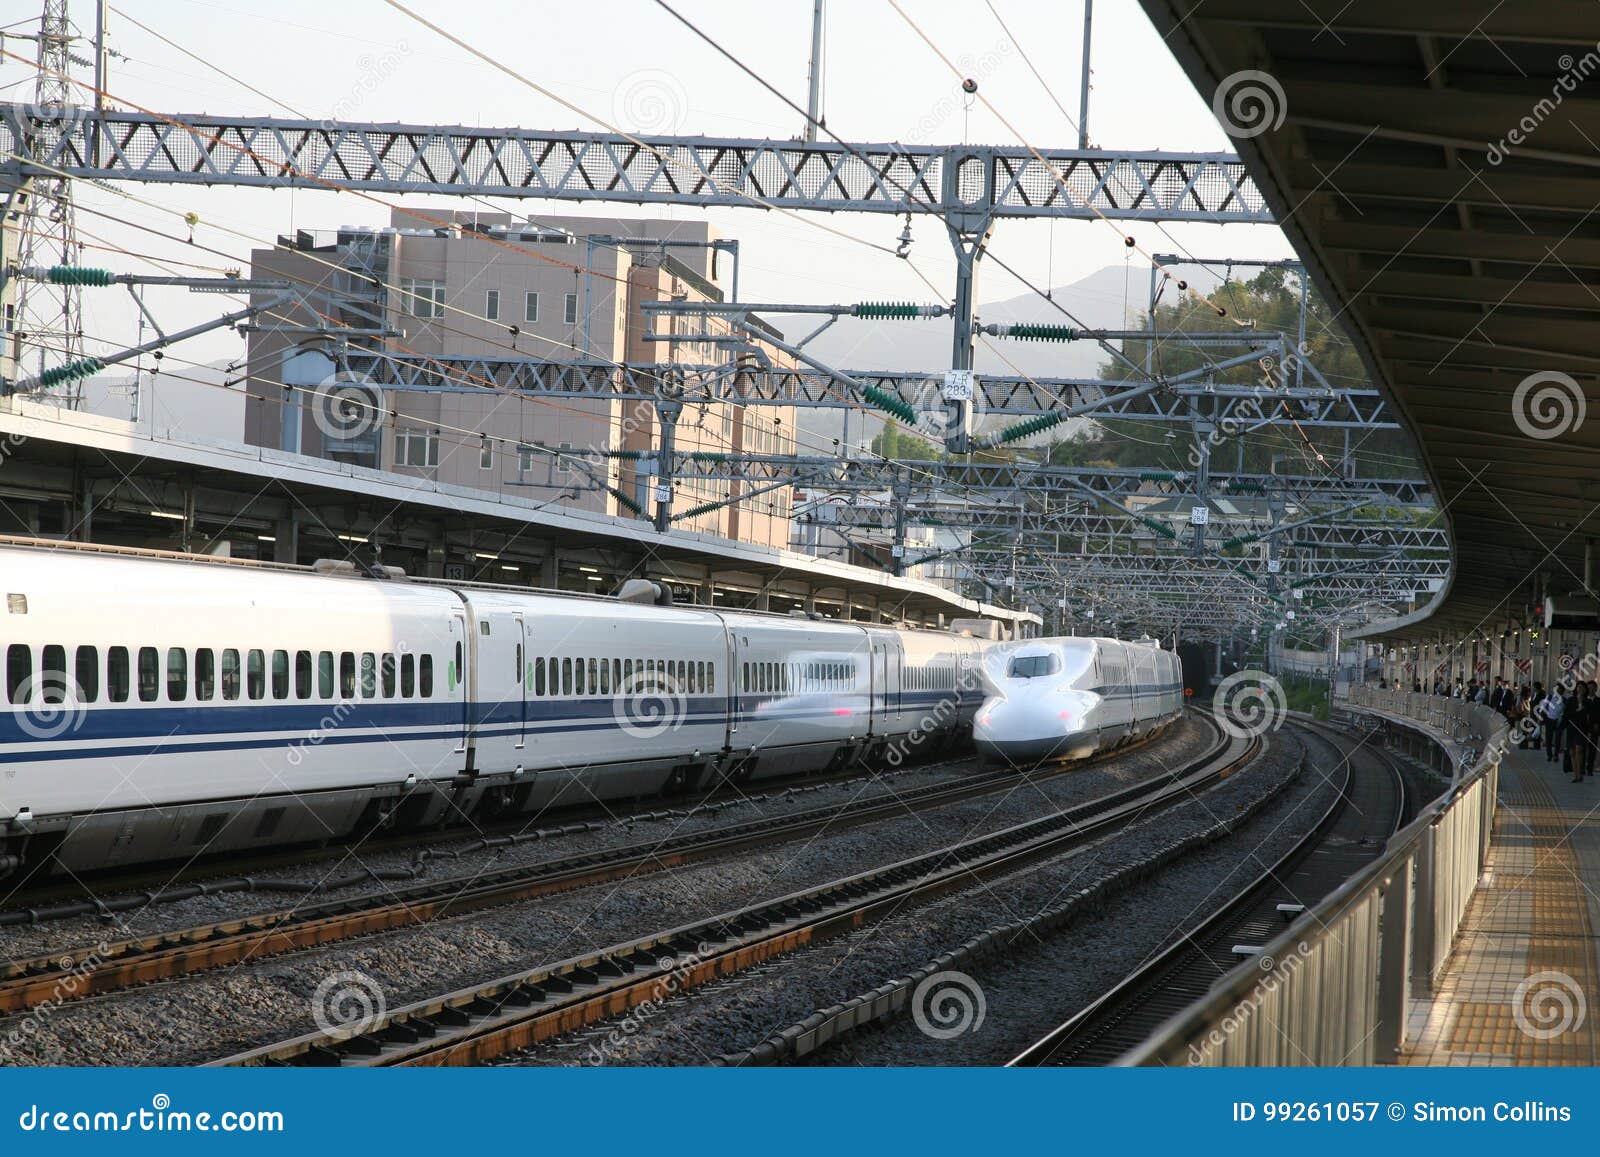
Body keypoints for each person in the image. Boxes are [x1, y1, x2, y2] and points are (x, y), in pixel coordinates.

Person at [1542, 684, 1566, 763]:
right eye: (1557, 689)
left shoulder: (1564, 700)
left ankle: (1556, 755)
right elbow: (1543, 707)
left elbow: (1565, 711)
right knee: (1548, 738)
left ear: (1563, 691)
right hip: (1549, 719)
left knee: (1558, 739)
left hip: (1559, 721)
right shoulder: (1549, 697)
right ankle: (1549, 755)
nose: (1559, 691)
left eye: (1560, 690)